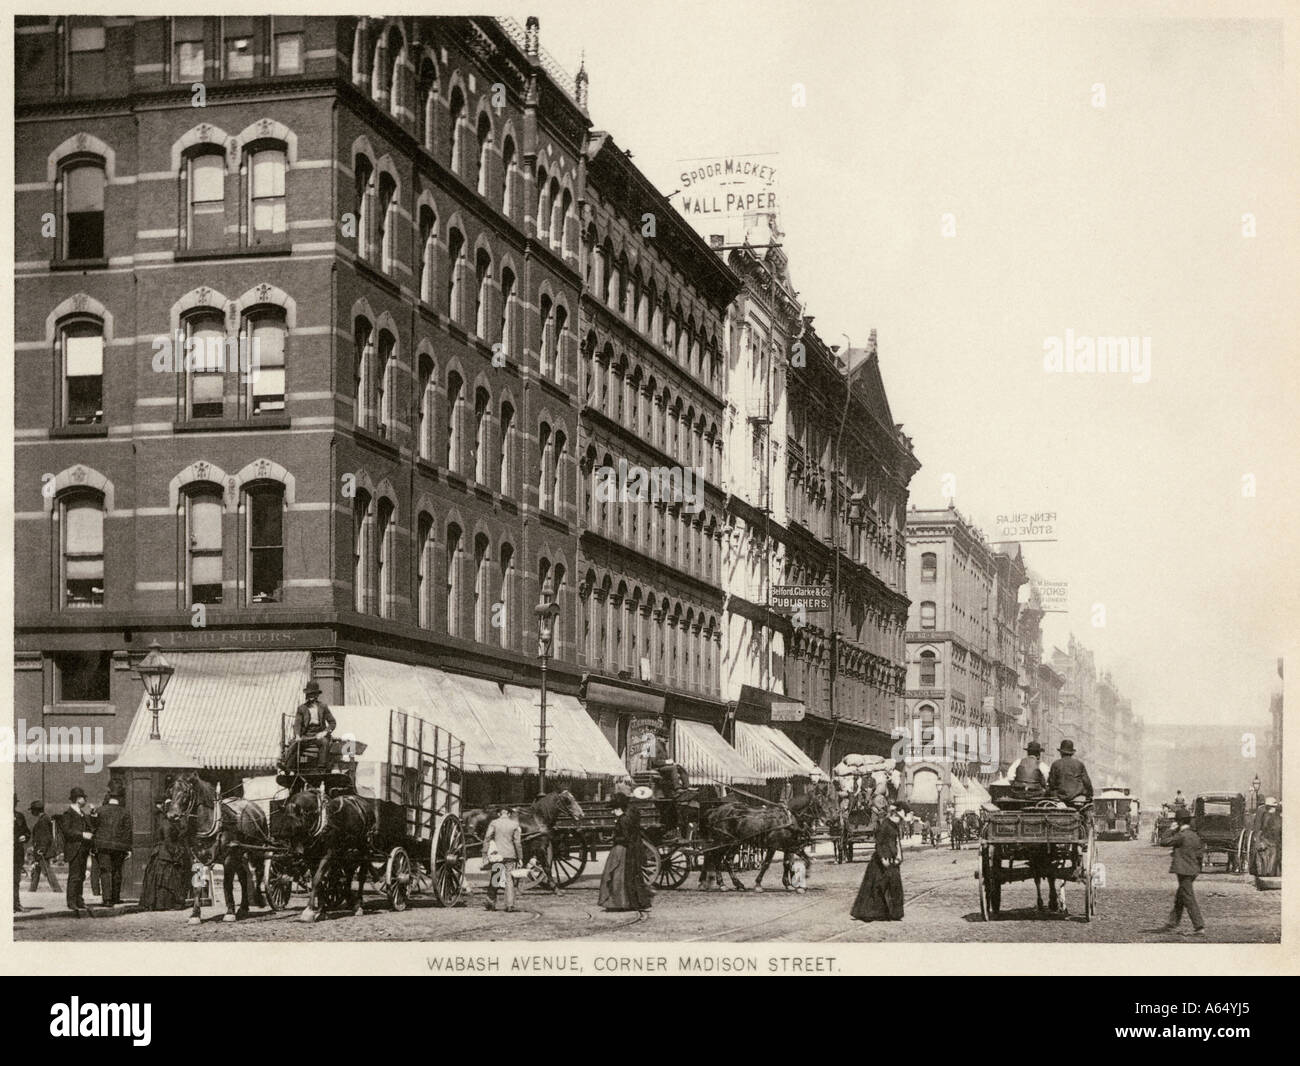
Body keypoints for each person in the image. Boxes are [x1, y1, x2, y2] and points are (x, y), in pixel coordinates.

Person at [851, 801, 906, 921]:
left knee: (895, 886)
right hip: (882, 861)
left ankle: (895, 913)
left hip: (893, 860)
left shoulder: (895, 826)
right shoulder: (885, 825)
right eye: (899, 817)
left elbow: (897, 841)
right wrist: (882, 858)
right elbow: (879, 844)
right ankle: (873, 913)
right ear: (895, 814)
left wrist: (899, 855)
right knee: (877, 887)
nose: (900, 820)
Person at [598, 795, 652, 912]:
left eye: (613, 809)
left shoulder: (623, 820)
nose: (612, 812)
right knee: (628, 877)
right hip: (628, 850)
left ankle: (618, 902)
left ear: (619, 808)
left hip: (621, 849)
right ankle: (630, 902)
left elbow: (626, 837)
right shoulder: (628, 817)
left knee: (617, 876)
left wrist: (614, 839)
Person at [139, 799, 191, 911]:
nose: (176, 814)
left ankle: (168, 903)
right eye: (174, 811)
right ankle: (162, 904)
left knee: (168, 878)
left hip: (168, 851)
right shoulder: (166, 823)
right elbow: (168, 840)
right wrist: (176, 853)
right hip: (165, 852)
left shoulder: (171, 822)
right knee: (165, 878)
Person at [1160, 813, 1205, 935]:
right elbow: (1200, 854)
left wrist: (1170, 829)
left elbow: (1163, 841)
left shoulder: (1181, 836)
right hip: (1193, 870)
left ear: (1179, 822)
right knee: (1180, 896)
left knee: (1188, 897)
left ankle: (1199, 925)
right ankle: (1172, 922)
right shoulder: (1195, 836)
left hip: (1183, 870)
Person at [92, 781, 133, 906]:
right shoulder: (125, 812)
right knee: (117, 871)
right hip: (119, 847)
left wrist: (93, 846)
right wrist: (128, 848)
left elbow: (94, 828)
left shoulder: (99, 811)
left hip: (102, 846)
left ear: (109, 797)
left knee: (105, 871)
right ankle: (116, 897)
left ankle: (107, 899)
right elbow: (128, 832)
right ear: (120, 798)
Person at [59, 787, 96, 917]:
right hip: (74, 849)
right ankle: (71, 901)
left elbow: (91, 827)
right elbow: (67, 832)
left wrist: (92, 815)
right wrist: (82, 835)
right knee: (74, 876)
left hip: (83, 849)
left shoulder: (82, 814)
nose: (85, 800)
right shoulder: (68, 814)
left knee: (80, 875)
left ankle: (79, 900)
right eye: (83, 798)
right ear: (78, 799)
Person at [482, 806, 523, 913]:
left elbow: (487, 838)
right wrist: (520, 857)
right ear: (509, 814)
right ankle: (509, 905)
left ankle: (491, 903)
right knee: (509, 880)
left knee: (496, 877)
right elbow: (517, 843)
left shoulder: (494, 823)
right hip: (510, 855)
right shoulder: (514, 824)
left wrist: (485, 853)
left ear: (499, 814)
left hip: (497, 855)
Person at [292, 680, 336, 770]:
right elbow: (297, 724)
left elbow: (332, 722)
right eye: (309, 694)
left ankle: (321, 767)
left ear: (317, 695)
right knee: (294, 744)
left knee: (325, 742)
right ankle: (288, 767)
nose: (310, 696)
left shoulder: (323, 706)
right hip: (306, 735)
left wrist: (325, 732)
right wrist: (297, 735)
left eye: (313, 694)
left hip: (318, 734)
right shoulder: (301, 708)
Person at [27, 801, 61, 894]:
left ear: (36, 810)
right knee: (36, 869)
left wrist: (41, 849)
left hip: (42, 851)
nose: (31, 812)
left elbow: (45, 837)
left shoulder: (43, 820)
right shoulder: (44, 819)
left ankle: (57, 890)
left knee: (47, 871)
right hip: (40, 850)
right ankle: (32, 890)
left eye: (32, 810)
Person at [1047, 739, 1093, 806]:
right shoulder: (1079, 764)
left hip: (1060, 797)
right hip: (1077, 797)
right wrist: (1090, 794)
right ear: (1072, 753)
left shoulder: (1055, 764)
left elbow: (1052, 783)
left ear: (1061, 752)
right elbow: (1087, 782)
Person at [14, 795, 29, 912]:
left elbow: (26, 831)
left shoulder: (19, 816)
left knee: (16, 880)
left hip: (17, 853)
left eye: (14, 802)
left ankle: (16, 903)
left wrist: (26, 836)